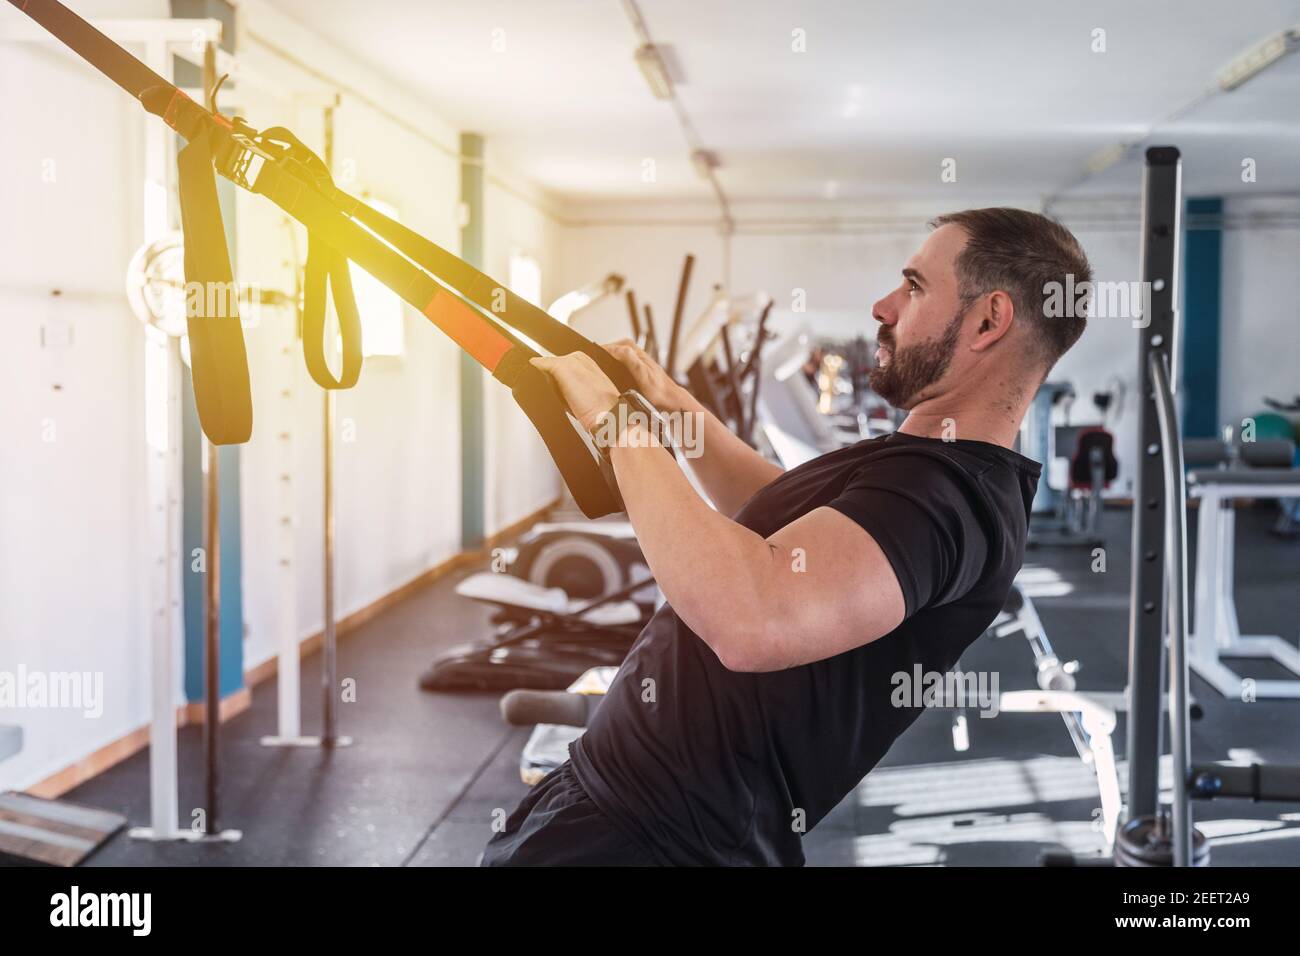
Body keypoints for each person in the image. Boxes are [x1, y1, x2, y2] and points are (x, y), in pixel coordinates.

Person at [482, 207, 1092, 866]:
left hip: (648, 844)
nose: (883, 306)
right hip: (621, 814)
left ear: (988, 321)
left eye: (914, 287)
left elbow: (754, 618)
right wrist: (674, 406)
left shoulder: (946, 496)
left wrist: (613, 421)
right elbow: (782, 523)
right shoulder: (928, 468)